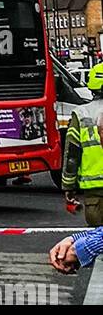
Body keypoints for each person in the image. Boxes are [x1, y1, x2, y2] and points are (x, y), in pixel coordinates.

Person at [60, 62, 103, 226]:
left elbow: (72, 155)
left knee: (97, 243)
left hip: (95, 192)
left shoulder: (82, 114)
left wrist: (68, 187)